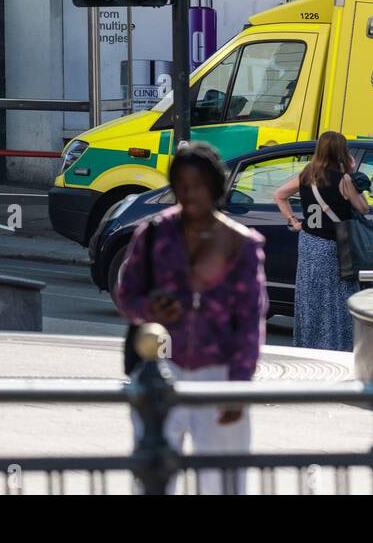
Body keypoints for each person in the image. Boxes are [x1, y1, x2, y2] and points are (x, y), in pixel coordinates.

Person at [113, 141, 267, 494]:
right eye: (181, 183)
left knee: (222, 482)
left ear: (214, 185)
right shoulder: (152, 235)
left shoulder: (241, 245)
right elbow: (127, 293)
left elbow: (249, 322)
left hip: (219, 373)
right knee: (153, 477)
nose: (189, 192)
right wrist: (151, 310)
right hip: (158, 371)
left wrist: (238, 386)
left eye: (197, 183)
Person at [273, 131, 371, 351]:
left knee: (310, 297)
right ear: (341, 152)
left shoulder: (307, 174)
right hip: (333, 246)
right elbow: (364, 207)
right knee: (336, 299)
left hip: (308, 243)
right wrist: (352, 172)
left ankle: (309, 345)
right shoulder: (344, 179)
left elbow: (279, 194)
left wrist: (293, 221)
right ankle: (336, 347)